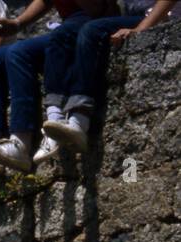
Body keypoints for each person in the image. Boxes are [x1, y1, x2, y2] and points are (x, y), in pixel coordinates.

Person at [0, 1, 115, 175]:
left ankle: (22, 140)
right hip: (67, 27)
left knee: (17, 52)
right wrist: (17, 23)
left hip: (89, 23)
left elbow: (97, 8)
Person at [43, 0, 178, 152]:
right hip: (135, 18)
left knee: (91, 30)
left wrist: (141, 29)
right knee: (64, 34)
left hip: (164, 18)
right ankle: (55, 118)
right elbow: (102, 11)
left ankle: (79, 119)